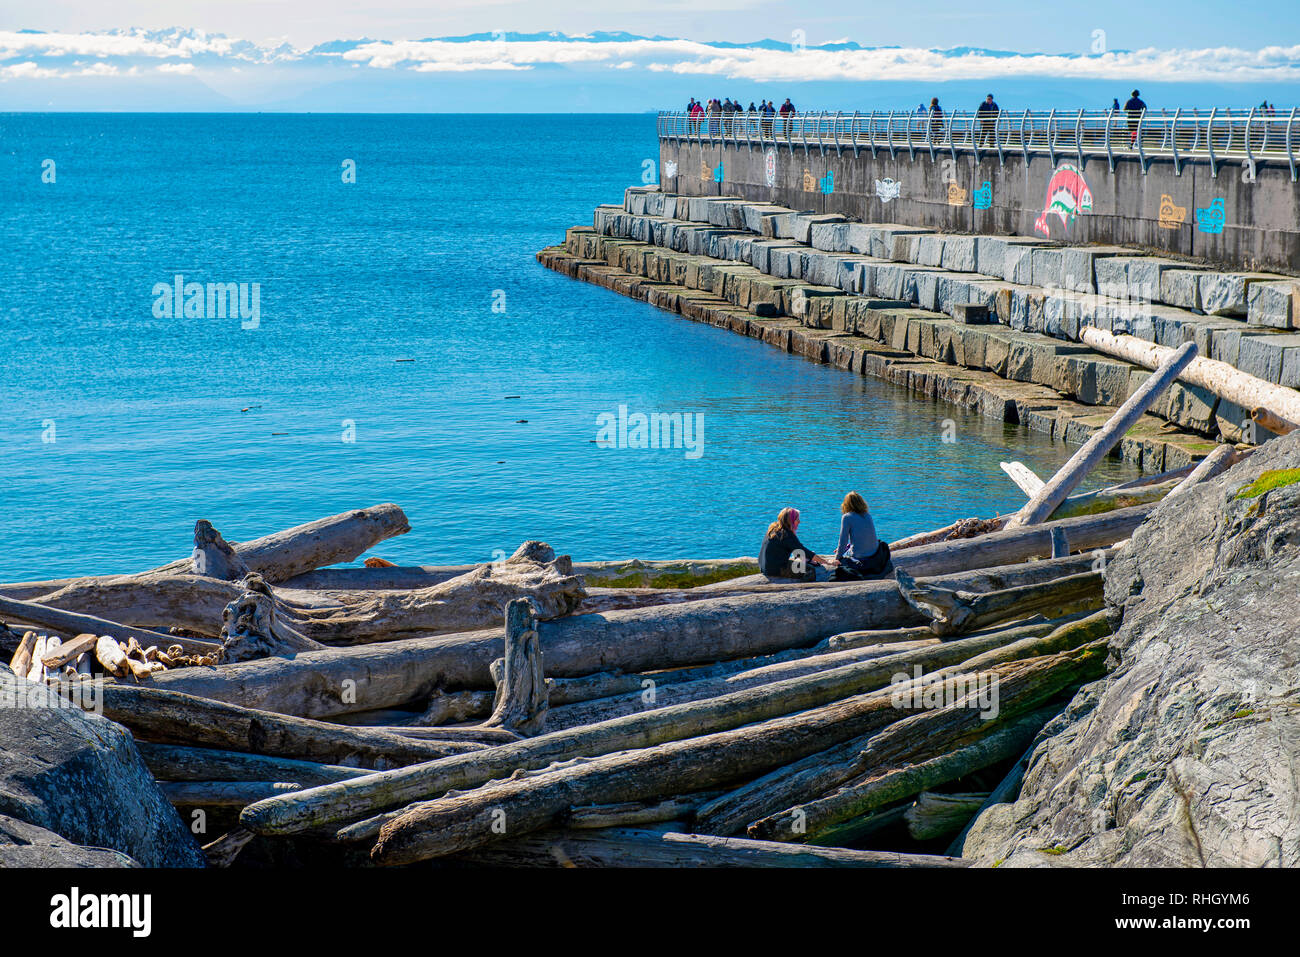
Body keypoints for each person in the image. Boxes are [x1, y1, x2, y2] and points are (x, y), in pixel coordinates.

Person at [758, 507, 833, 582]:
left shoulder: (774, 529)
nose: (799, 522)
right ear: (791, 521)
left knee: (803, 561)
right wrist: (826, 562)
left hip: (764, 567)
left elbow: (797, 549)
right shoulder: (786, 534)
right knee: (810, 570)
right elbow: (803, 551)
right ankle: (804, 589)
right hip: (776, 569)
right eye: (797, 519)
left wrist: (807, 558)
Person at [831, 492, 891, 580]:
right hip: (874, 554)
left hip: (860, 557)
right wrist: (846, 547)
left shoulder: (847, 517)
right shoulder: (867, 515)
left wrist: (836, 559)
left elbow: (843, 541)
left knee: (842, 557)